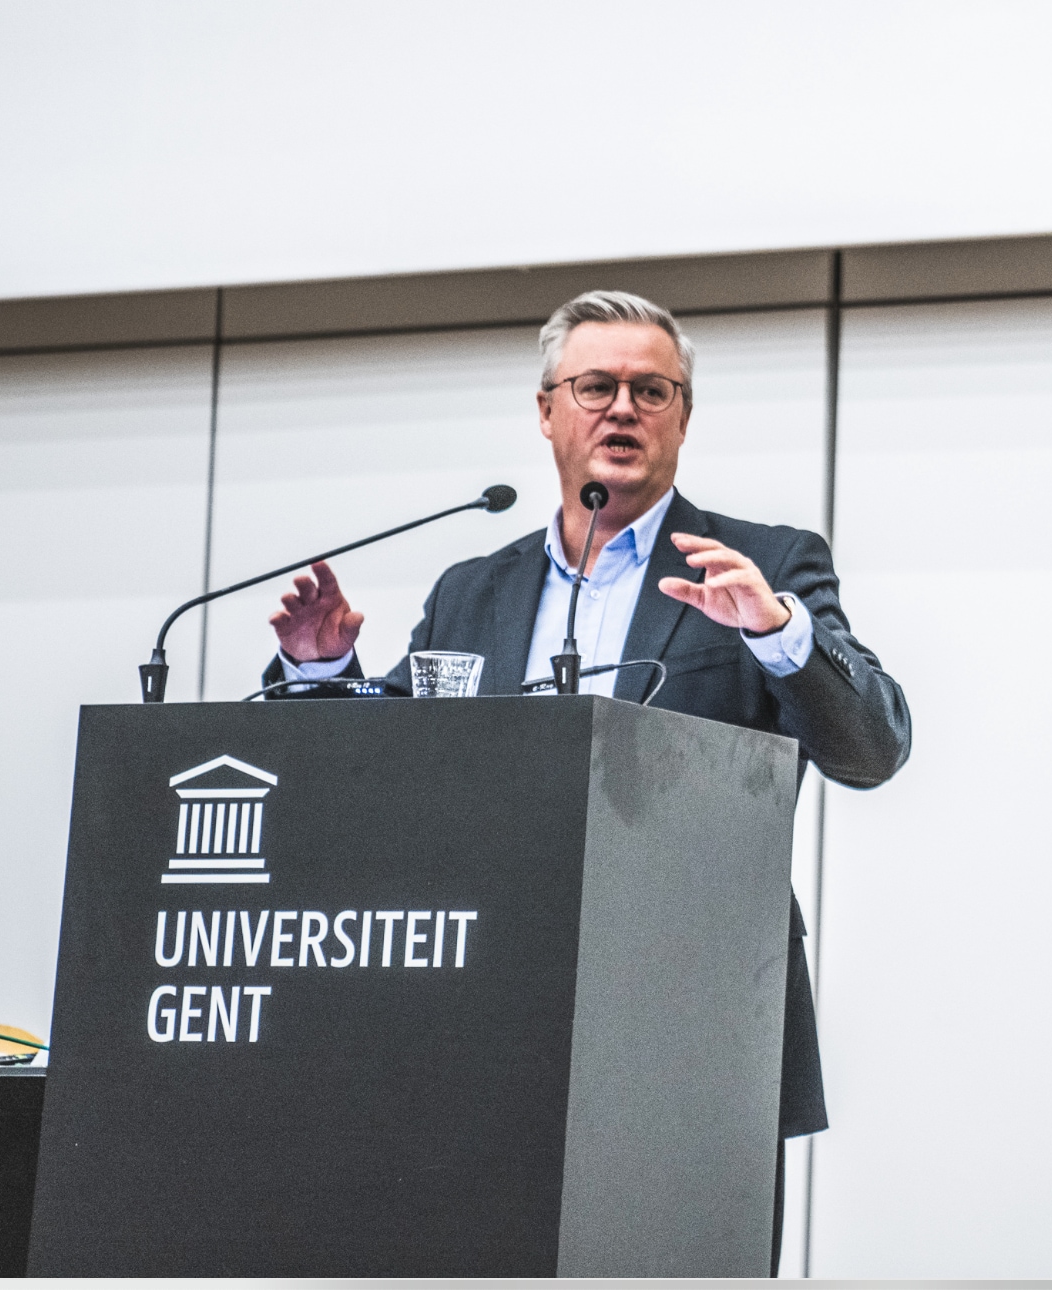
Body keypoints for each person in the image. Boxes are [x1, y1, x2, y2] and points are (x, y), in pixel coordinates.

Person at [263, 290, 911, 1268]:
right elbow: (397, 765)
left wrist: (777, 634)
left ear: (682, 417)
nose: (622, 409)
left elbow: (871, 747)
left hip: (692, 1023)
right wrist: (322, 673)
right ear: (545, 410)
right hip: (480, 1018)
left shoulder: (761, 564)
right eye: (596, 386)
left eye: (651, 390)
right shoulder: (470, 590)